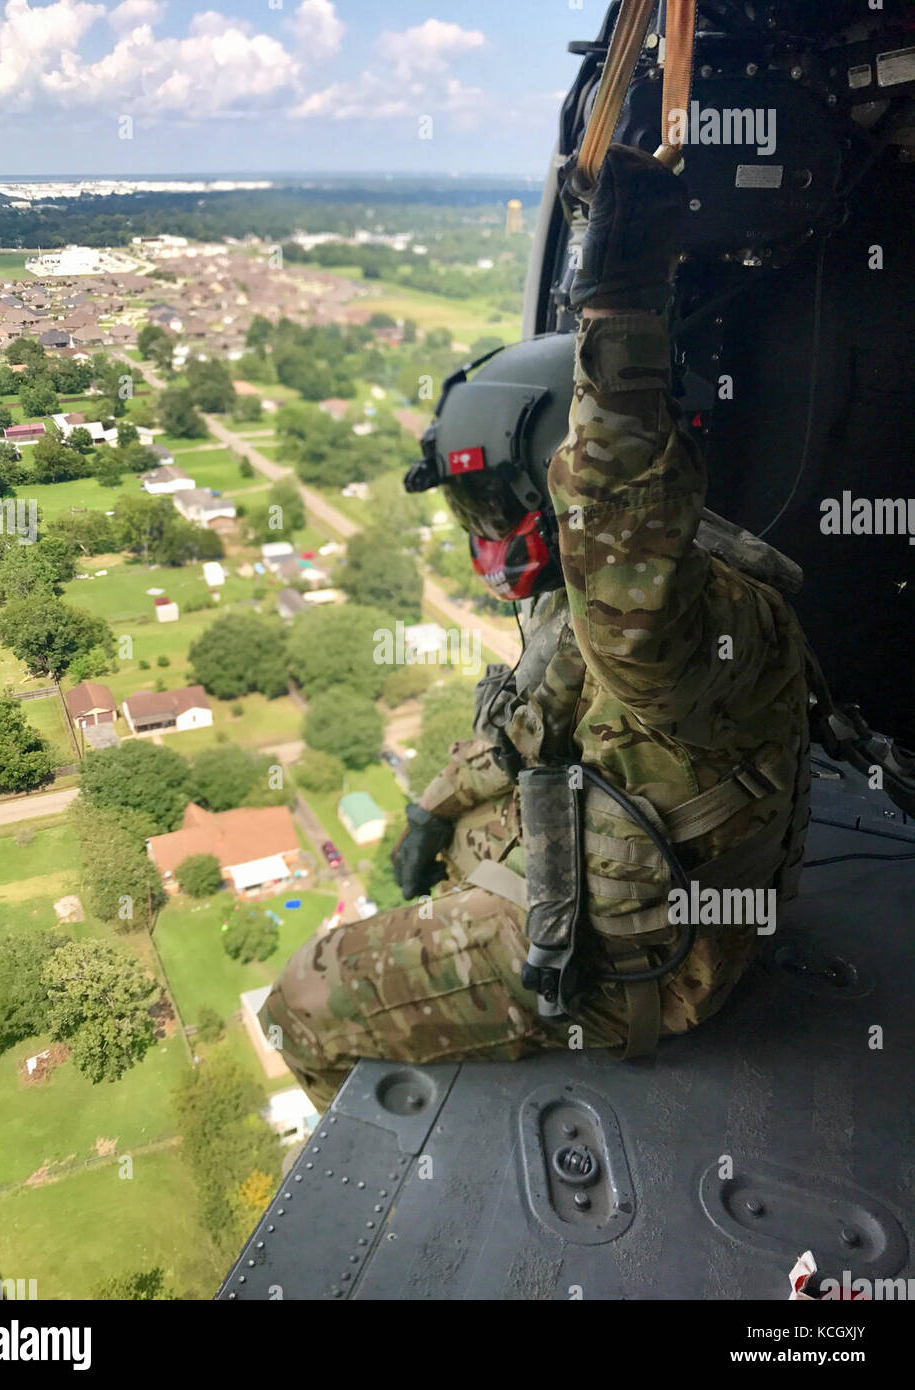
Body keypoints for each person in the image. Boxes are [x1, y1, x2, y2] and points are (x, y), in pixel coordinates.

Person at [261, 146, 810, 1112]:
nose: (484, 533)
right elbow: (528, 726)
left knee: (301, 1000)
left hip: (663, 963)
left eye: (492, 500)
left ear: (562, 483)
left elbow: (621, 550)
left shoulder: (696, 618)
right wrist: (437, 804)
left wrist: (621, 310)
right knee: (461, 843)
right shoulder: (580, 607)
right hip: (623, 882)